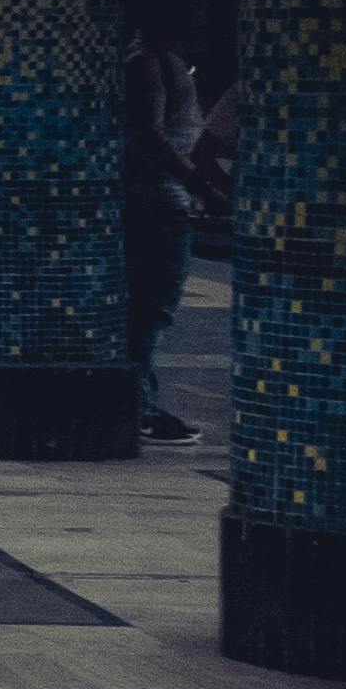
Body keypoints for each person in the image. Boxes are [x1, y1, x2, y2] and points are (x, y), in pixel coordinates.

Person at [119, 23, 208, 444]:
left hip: (160, 200)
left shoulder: (160, 63)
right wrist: (197, 183)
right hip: (160, 202)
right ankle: (138, 410)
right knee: (151, 307)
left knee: (147, 309)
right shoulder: (149, 65)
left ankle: (142, 403)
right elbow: (149, 135)